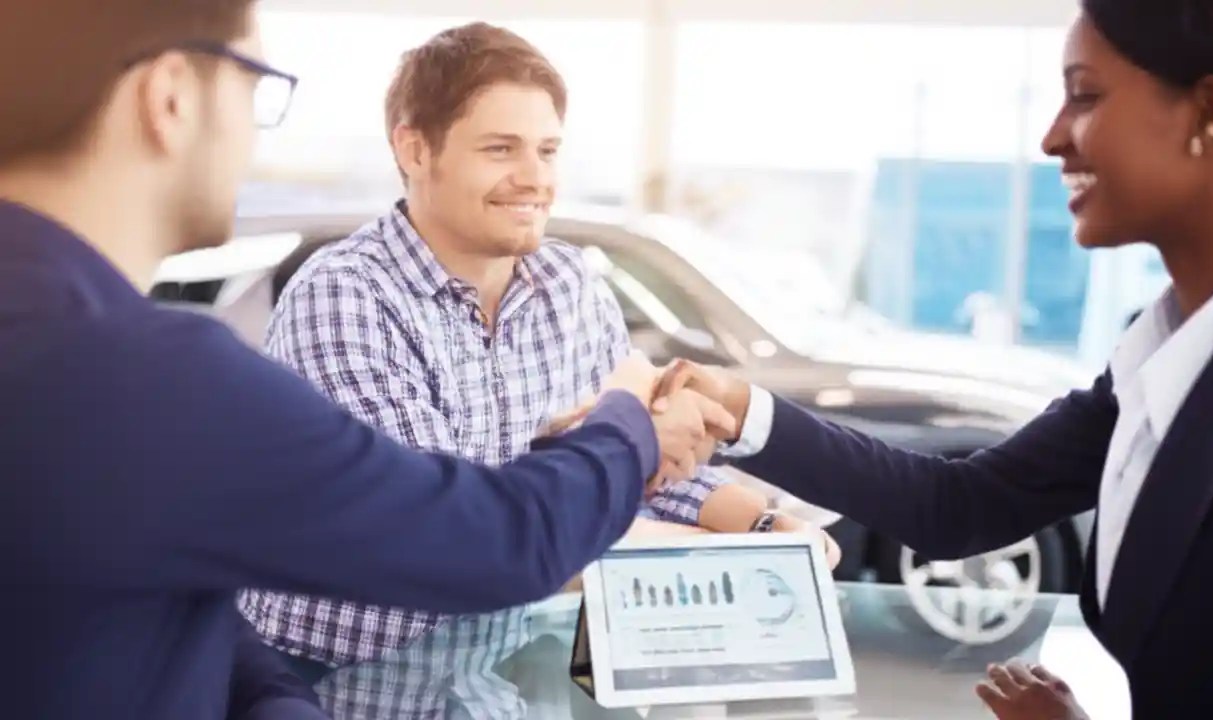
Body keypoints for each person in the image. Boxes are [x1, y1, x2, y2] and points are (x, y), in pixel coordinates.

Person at [0, 2, 732, 719]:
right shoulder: (151, 379)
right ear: (171, 98)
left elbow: (156, 595)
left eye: (546, 148)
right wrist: (627, 417)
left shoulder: (68, 345)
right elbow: (488, 541)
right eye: (257, 87)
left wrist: (272, 700)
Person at [640, 1, 1213, 718]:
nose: (1051, 138)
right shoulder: (1159, 359)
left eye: (1086, 96)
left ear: (1208, 112)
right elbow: (959, 506)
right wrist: (741, 409)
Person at [237, 26, 836, 709]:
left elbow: (640, 475)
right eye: (500, 150)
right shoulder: (345, 296)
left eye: (547, 151)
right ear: (414, 148)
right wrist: (682, 517)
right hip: (340, 692)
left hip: (496, 685)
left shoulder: (568, 286)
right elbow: (462, 540)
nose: (534, 178)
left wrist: (766, 529)